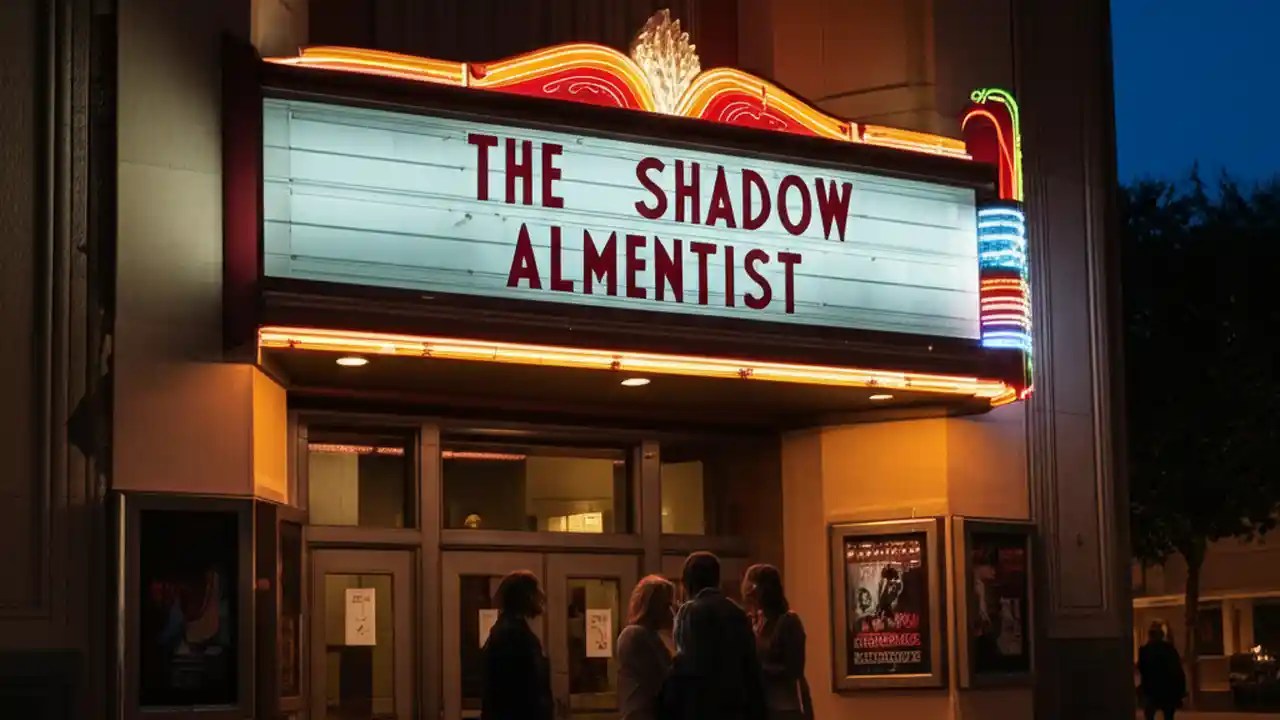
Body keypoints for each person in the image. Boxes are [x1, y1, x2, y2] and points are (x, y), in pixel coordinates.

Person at [665, 552, 767, 720]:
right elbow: (750, 666)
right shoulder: (737, 613)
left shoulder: (689, 611)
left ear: (687, 581)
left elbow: (684, 664)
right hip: (735, 707)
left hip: (702, 706)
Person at [742, 564, 813, 720]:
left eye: (753, 588)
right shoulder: (756, 621)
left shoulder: (788, 622)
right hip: (764, 706)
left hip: (787, 707)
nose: (748, 593)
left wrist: (757, 669)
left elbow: (794, 669)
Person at [481, 570, 553, 720]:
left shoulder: (508, 630)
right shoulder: (512, 635)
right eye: (536, 592)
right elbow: (517, 691)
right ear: (524, 596)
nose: (541, 597)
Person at [617, 575, 676, 720]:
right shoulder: (636, 635)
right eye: (667, 604)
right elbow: (665, 680)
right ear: (654, 606)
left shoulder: (648, 635)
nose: (672, 610)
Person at [1137, 622, 1186, 720]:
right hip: (1167, 687)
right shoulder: (1169, 649)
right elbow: (1176, 669)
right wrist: (1180, 689)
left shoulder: (1145, 650)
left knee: (1150, 713)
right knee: (1168, 713)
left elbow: (1142, 668)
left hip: (1151, 687)